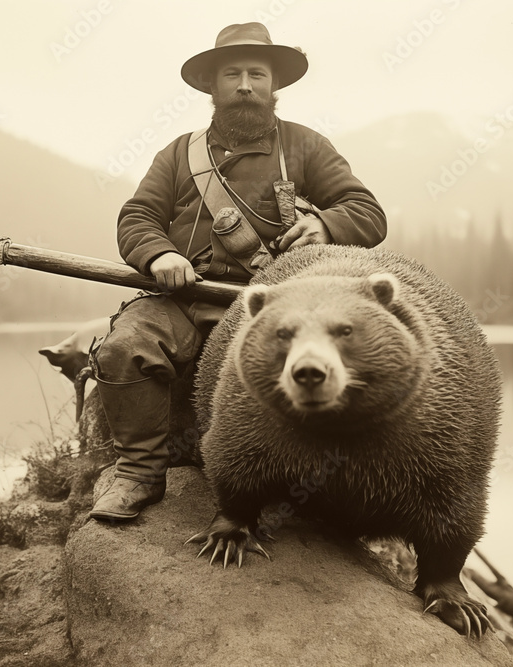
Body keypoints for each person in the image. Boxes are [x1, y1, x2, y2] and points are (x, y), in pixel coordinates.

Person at [89, 22, 387, 521]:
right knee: (124, 347)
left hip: (270, 307)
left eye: (257, 74)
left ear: (274, 87)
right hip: (184, 298)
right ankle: (139, 473)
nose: (246, 85)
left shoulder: (306, 147)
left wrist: (325, 226)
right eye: (232, 74)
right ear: (212, 85)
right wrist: (160, 255)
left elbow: (368, 212)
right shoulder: (178, 153)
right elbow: (137, 217)